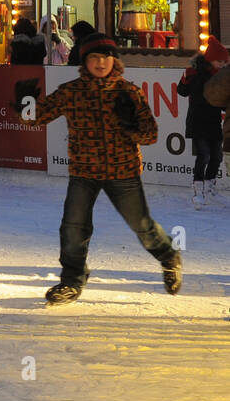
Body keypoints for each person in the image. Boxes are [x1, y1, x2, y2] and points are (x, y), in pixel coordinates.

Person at [18, 33, 181, 304]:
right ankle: (71, 281)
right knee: (73, 227)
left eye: (106, 57)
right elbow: (38, 117)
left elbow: (150, 134)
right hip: (84, 170)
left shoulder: (128, 92)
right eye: (94, 57)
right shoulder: (72, 91)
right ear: (85, 61)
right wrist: (25, 107)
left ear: (114, 60)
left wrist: (132, 128)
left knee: (142, 226)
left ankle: (169, 256)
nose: (100, 62)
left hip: (123, 170)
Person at [178, 37, 229, 205]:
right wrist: (186, 77)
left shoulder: (221, 77)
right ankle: (198, 190)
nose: (222, 64)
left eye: (224, 61)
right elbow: (182, 91)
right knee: (203, 155)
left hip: (214, 120)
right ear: (210, 59)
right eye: (219, 61)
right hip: (198, 120)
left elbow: (222, 100)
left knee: (217, 156)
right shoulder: (195, 73)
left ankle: (209, 186)